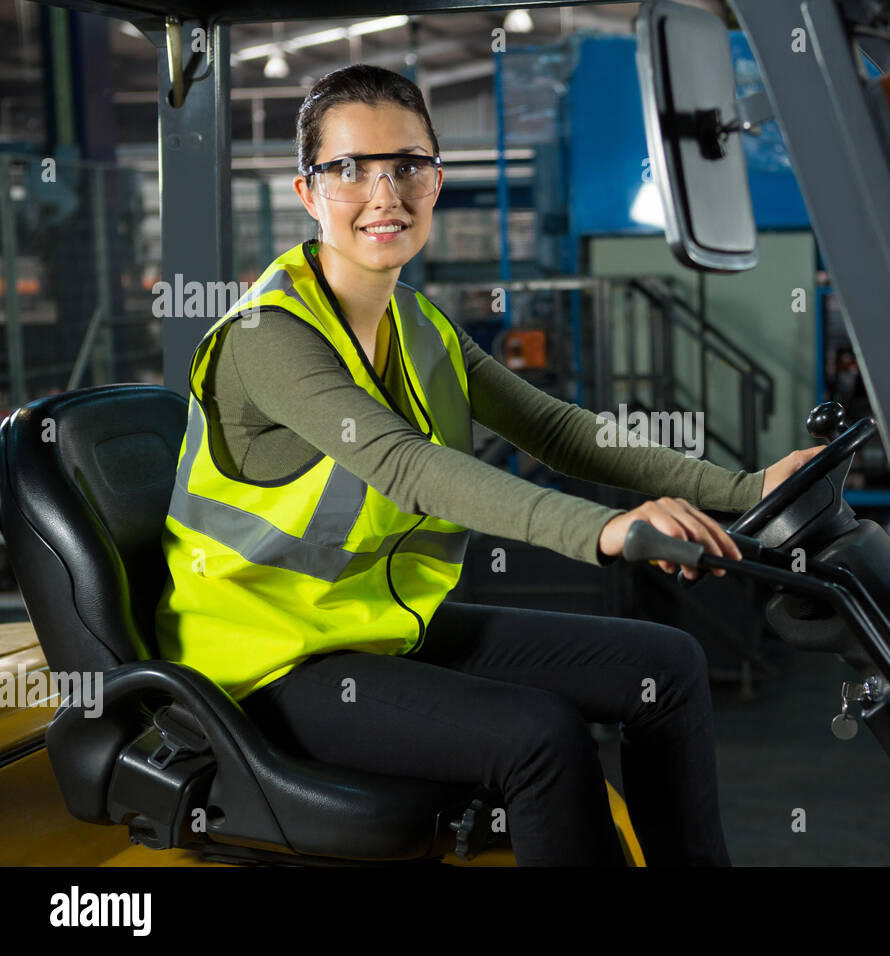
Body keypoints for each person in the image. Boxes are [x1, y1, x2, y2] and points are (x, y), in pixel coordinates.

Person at [153, 64, 821, 867]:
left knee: (667, 664)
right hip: (266, 668)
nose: (385, 193)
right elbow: (405, 465)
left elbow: (557, 430)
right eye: (350, 170)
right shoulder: (270, 336)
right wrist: (605, 529)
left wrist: (747, 490)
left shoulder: (418, 323)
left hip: (380, 632)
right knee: (537, 737)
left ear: (436, 178)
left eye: (408, 165)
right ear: (308, 192)